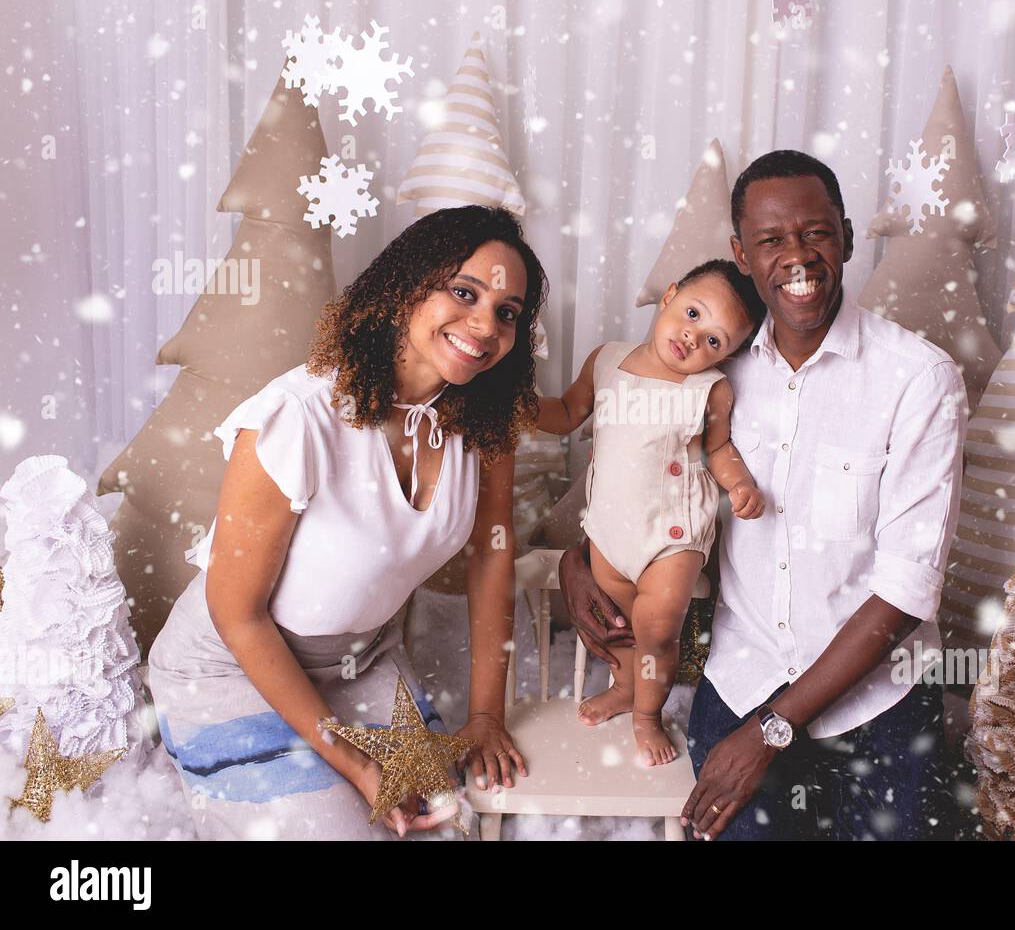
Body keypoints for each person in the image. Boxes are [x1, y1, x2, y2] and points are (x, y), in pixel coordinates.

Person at [559, 151, 967, 840]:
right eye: (771, 240)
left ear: (845, 236)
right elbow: (643, 487)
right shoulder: (714, 372)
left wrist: (774, 729)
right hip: (743, 679)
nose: (797, 257)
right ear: (740, 254)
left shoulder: (917, 379)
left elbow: (905, 592)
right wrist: (579, 560)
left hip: (879, 701)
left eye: (816, 233)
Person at [148, 206, 544, 839]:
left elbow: (491, 557)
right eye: (464, 293)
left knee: (444, 828)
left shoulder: (483, 426)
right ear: (406, 285)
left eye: (508, 312)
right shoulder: (296, 416)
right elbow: (238, 617)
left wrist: (486, 714)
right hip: (234, 663)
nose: (485, 325)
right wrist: (357, 765)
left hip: (361, 661)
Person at [534, 259, 766, 765]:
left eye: (714, 341)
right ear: (670, 295)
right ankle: (624, 687)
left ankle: (647, 715)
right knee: (617, 623)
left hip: (673, 534)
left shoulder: (709, 389)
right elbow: (569, 411)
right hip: (610, 530)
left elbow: (719, 449)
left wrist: (741, 484)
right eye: (692, 313)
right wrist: (527, 407)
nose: (693, 337)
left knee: (657, 629)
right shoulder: (607, 360)